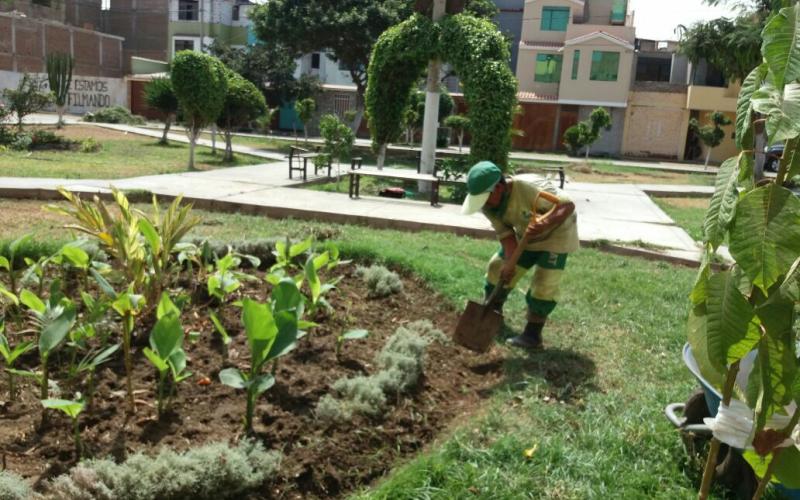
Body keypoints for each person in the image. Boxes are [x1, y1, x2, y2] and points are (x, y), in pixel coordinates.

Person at [461, 161, 579, 349]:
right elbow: (506, 235)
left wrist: (545, 222)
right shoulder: (488, 206)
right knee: (496, 267)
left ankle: (533, 334)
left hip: (557, 234)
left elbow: (567, 206)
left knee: (544, 283)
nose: (484, 204)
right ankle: (493, 311)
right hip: (526, 235)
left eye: (485, 198)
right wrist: (509, 264)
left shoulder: (529, 188)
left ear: (498, 187)